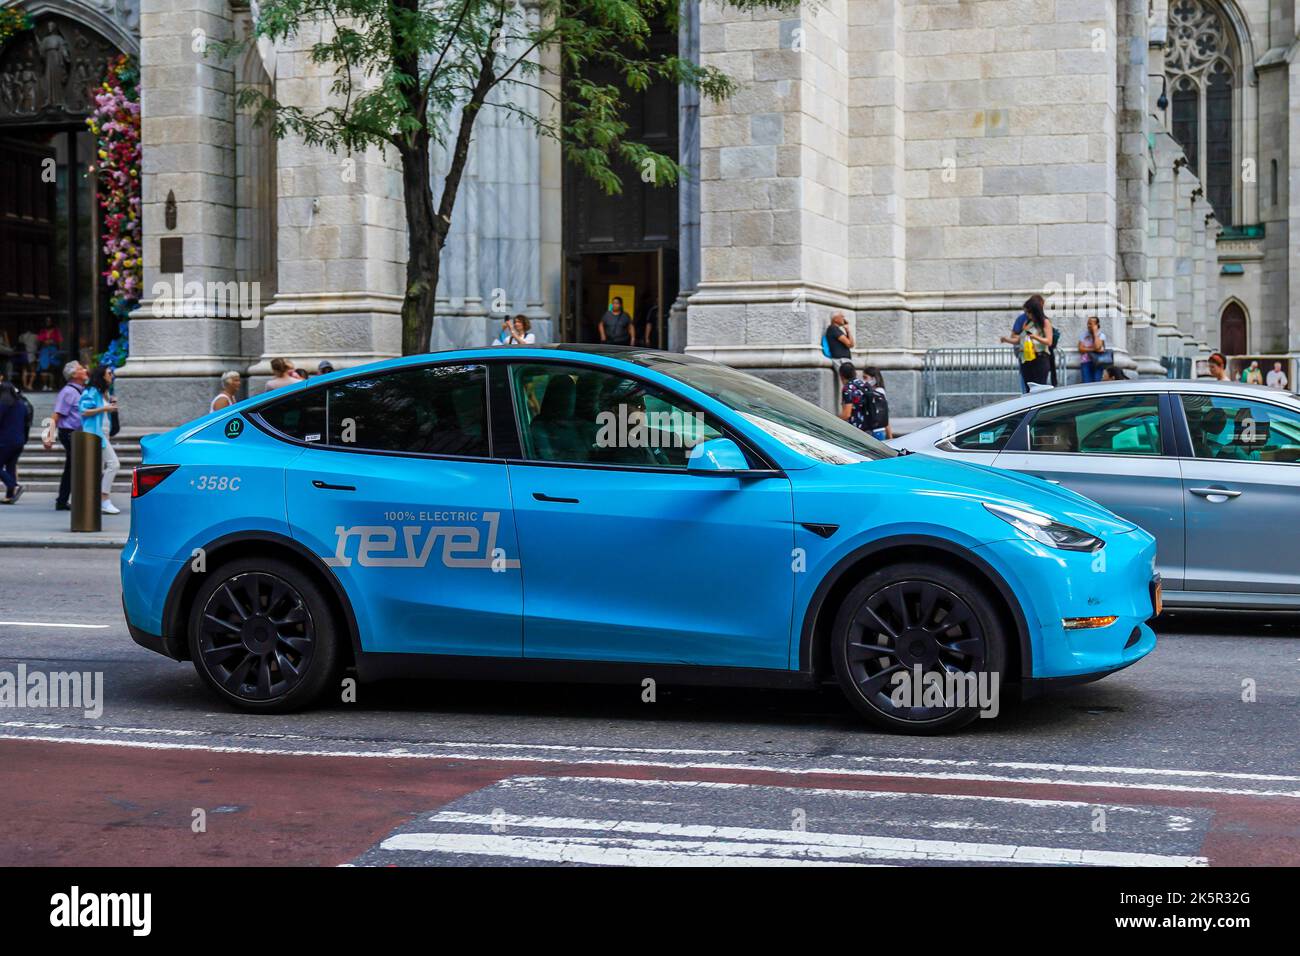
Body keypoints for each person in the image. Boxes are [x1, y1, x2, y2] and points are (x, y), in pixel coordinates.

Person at [79, 364, 121, 514]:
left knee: (99, 468)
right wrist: (105, 408)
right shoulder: (92, 391)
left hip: (104, 434)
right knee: (113, 464)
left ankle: (92, 500)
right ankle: (104, 499)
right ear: (102, 375)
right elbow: (84, 411)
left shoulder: (106, 393)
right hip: (95, 434)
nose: (111, 376)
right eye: (109, 373)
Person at [46, 360, 87, 511]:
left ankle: (63, 500)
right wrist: (48, 436)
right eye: (81, 368)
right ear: (74, 375)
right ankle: (63, 500)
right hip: (70, 434)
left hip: (77, 434)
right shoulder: (68, 392)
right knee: (73, 467)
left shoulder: (80, 390)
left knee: (72, 467)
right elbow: (55, 415)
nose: (85, 370)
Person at [1001, 294, 1053, 390]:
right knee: (1028, 388)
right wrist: (1006, 340)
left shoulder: (1045, 322)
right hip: (1027, 358)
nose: (1027, 315)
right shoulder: (1027, 323)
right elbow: (1020, 339)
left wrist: (1035, 337)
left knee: (1039, 388)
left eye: (1029, 312)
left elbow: (1049, 341)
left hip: (1040, 358)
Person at [0, 377, 27, 504]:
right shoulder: (21, 405)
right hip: (19, 441)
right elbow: (26, 423)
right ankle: (10, 496)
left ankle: (13, 486)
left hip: (5, 440)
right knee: (10, 466)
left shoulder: (3, 404)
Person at [862, 366, 893, 440]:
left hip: (876, 430)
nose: (863, 380)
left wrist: (890, 436)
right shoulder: (870, 392)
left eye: (865, 377)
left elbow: (883, 414)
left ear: (874, 379)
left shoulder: (878, 392)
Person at [837, 362, 870, 432]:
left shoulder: (848, 388)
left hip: (856, 428)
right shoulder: (863, 384)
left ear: (841, 375)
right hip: (868, 426)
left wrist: (833, 421)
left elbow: (846, 414)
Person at [1077, 316, 1108, 384]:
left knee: (1097, 383)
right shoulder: (1083, 335)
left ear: (1097, 325)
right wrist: (1093, 349)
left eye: (1091, 324)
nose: (1088, 325)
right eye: (1088, 323)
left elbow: (1097, 346)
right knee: (1086, 383)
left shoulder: (1101, 335)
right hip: (1085, 362)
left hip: (1098, 362)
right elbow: (1080, 349)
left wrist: (1094, 333)